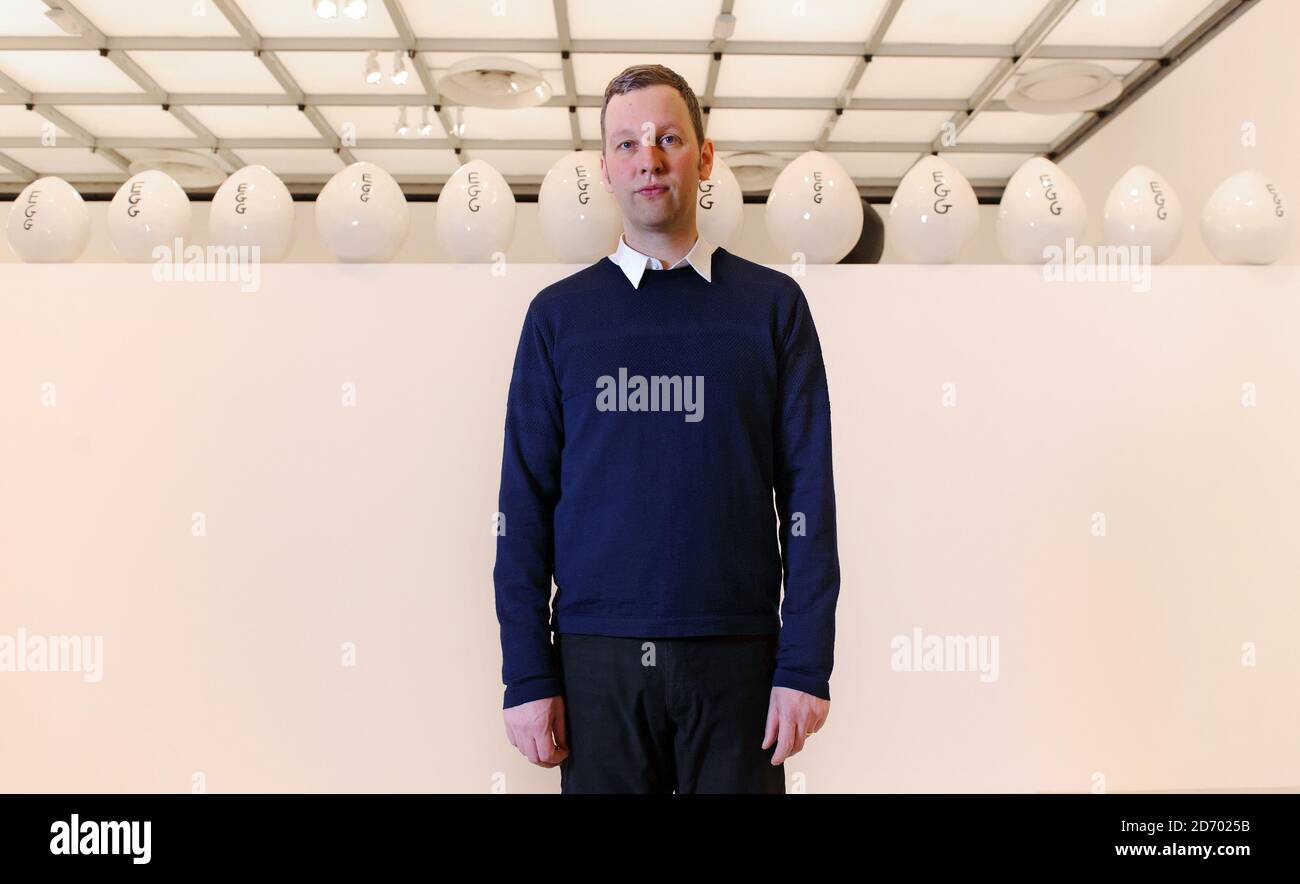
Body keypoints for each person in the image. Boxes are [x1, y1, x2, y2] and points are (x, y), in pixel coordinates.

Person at [494, 63, 840, 794]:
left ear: (704, 156)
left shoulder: (772, 309)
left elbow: (810, 495)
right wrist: (527, 672)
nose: (648, 158)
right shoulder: (558, 319)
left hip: (739, 656)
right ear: (606, 170)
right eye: (626, 144)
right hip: (596, 660)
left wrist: (805, 664)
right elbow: (522, 506)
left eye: (668, 138)